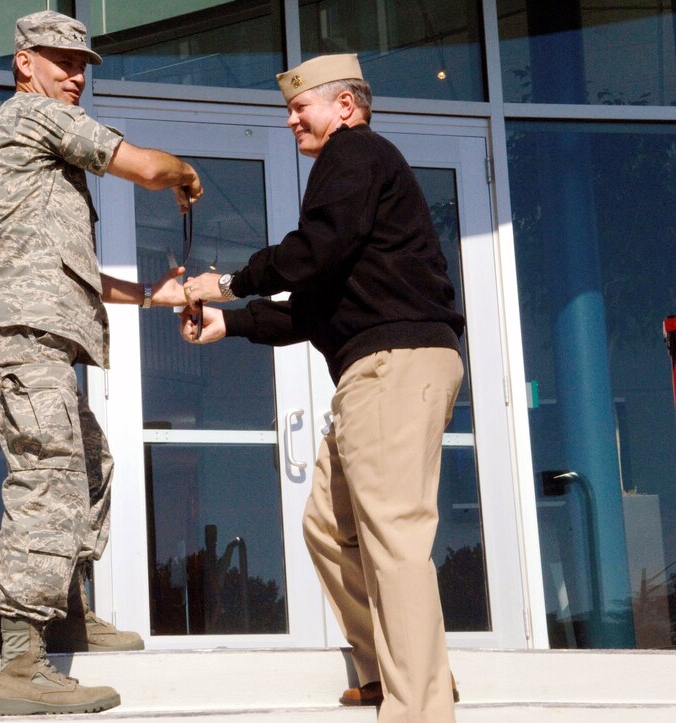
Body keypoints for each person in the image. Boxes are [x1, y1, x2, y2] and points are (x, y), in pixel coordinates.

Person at [182, 54, 465, 722]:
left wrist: (225, 282)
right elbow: (313, 302)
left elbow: (315, 248)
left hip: (395, 364)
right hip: (381, 364)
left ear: (344, 105)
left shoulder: (355, 152)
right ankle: (384, 669)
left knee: (393, 538)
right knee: (328, 527)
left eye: (298, 106)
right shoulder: (360, 173)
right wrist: (232, 323)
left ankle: (420, 705)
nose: (289, 120)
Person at [0, 10, 203, 717]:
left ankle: (65, 612)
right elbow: (142, 166)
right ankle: (23, 663)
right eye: (60, 59)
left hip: (41, 324)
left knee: (87, 460)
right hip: (22, 329)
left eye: (83, 63)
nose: (75, 74)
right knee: (48, 470)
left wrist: (157, 294)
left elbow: (73, 271)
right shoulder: (28, 116)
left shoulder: (38, 155)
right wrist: (181, 172)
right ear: (23, 63)